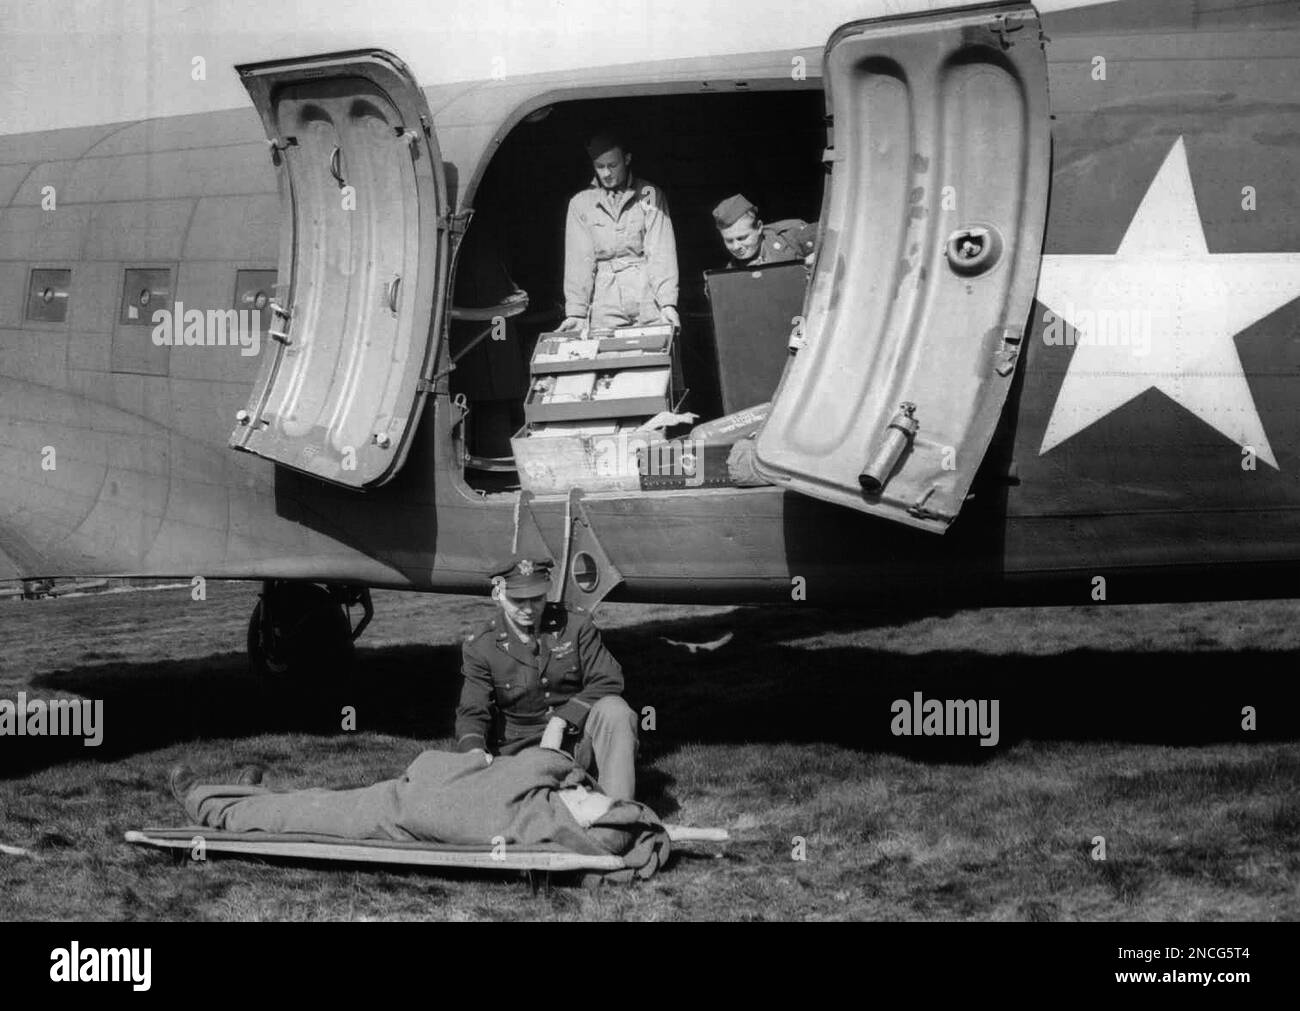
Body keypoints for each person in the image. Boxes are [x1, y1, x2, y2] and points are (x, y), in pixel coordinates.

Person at [166, 747, 670, 877]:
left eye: (588, 799)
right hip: (393, 804)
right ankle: (251, 794)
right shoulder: (542, 820)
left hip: (393, 816)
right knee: (316, 798)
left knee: (302, 813)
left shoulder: (523, 806)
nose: (584, 789)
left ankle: (207, 804)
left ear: (576, 820)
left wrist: (561, 773)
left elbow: (540, 762)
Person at [455, 555, 638, 800]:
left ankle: (618, 813)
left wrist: (561, 721)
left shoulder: (575, 625)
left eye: (537, 598)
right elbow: (473, 710)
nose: (529, 609)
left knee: (616, 711)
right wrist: (473, 752)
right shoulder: (482, 645)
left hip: (575, 742)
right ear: (498, 595)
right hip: (520, 751)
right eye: (518, 600)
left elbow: (608, 678)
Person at [559, 131, 680, 334]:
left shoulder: (648, 193)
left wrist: (668, 302)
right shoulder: (581, 203)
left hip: (646, 296)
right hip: (604, 300)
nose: (606, 173)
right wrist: (576, 312)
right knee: (609, 357)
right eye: (600, 167)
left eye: (612, 165)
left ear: (627, 159)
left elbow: (660, 249)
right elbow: (578, 261)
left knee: (655, 355)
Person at [712, 193, 818, 269]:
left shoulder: (791, 234)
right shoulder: (732, 271)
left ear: (759, 227)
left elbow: (831, 241)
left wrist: (817, 260)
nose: (736, 247)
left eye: (742, 238)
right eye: (729, 241)